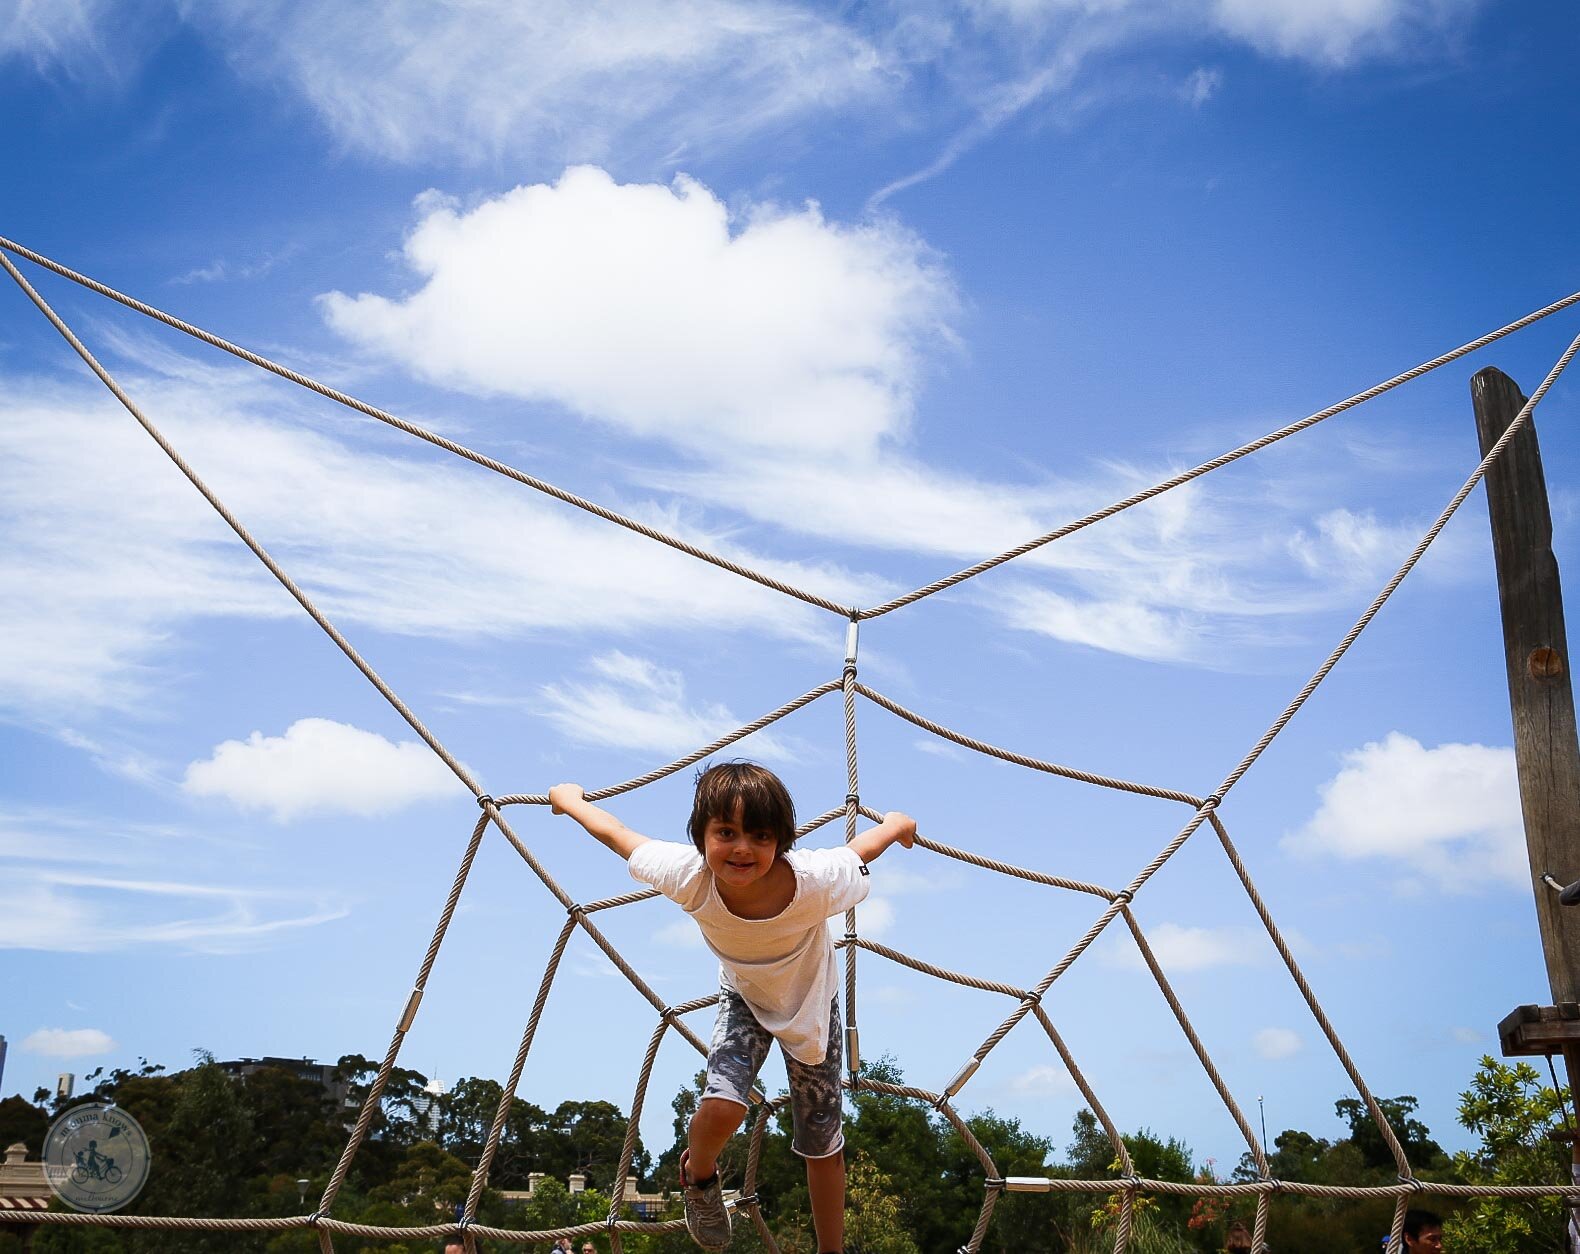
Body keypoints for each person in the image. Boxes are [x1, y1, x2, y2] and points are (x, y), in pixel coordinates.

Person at [551, 762, 916, 1254]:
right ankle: (699, 1179)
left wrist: (894, 826)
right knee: (723, 1102)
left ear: (781, 843)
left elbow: (855, 852)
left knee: (822, 1140)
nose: (742, 848)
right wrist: (570, 799)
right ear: (701, 837)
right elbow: (617, 834)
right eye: (726, 832)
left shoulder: (815, 882)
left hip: (810, 1005)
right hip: (744, 996)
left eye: (760, 836)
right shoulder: (689, 876)